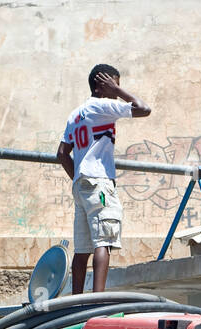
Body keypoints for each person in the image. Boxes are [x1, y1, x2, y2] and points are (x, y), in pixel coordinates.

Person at [57, 64, 151, 294]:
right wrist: (118, 91)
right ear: (102, 84)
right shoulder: (102, 106)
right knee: (104, 241)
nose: (116, 88)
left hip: (81, 184)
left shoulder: (75, 113)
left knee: (82, 248)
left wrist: (78, 178)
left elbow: (61, 153)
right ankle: (96, 302)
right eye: (114, 84)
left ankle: (76, 301)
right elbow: (143, 109)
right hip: (99, 181)